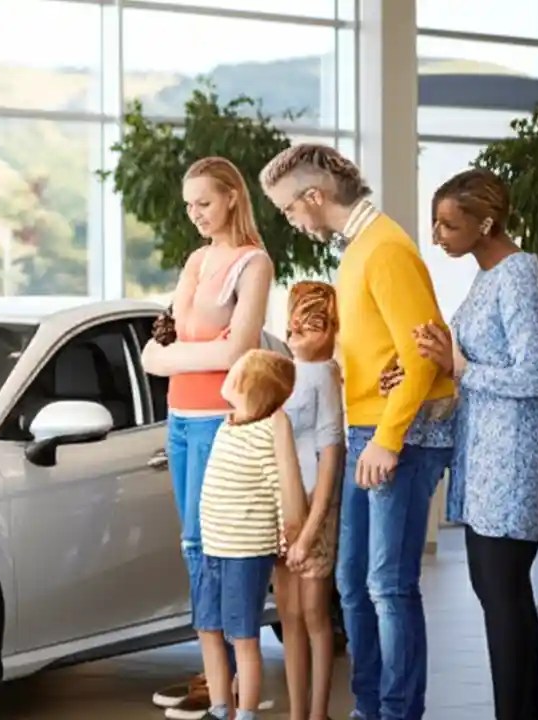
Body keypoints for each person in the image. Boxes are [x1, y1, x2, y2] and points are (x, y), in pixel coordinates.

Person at [258, 143, 457, 720]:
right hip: (369, 426)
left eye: (291, 210)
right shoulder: (359, 251)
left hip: (403, 435)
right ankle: (367, 706)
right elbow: (391, 347)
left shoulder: (387, 249)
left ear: (315, 197)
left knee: (389, 586)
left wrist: (389, 438)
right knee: (352, 583)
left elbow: (423, 356)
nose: (292, 221)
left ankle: (396, 712)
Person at [397, 168, 538, 720]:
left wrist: (458, 364)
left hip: (513, 463)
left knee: (504, 597)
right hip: (486, 459)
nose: (438, 235)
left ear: (484, 223)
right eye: (435, 223)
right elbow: (465, 365)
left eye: (448, 225)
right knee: (498, 598)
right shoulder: (487, 275)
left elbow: (531, 376)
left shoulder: (515, 274)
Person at [140, 156, 275, 719]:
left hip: (220, 424)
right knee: (192, 546)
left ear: (232, 200)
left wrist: (178, 356)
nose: (195, 215)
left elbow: (235, 352)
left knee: (215, 545)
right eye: (189, 205)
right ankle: (215, 689)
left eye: (205, 203)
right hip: (178, 422)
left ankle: (229, 693)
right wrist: (192, 352)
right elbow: (153, 351)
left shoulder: (254, 264)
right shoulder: (196, 260)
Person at [193, 348, 308, 720]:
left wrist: (287, 539)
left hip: (245, 551)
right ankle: (218, 705)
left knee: (244, 638)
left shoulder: (266, 431)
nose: (230, 373)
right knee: (208, 628)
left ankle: (245, 713)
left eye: (238, 371)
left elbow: (281, 490)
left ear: (251, 387)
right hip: (214, 546)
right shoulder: (228, 423)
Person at [280, 281, 345, 720]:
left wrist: (314, 522)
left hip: (314, 502)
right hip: (283, 502)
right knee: (288, 614)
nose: (300, 331)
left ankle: (318, 712)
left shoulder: (325, 376)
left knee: (314, 613)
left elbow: (330, 455)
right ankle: (296, 712)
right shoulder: (284, 371)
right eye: (296, 322)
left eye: (313, 323)